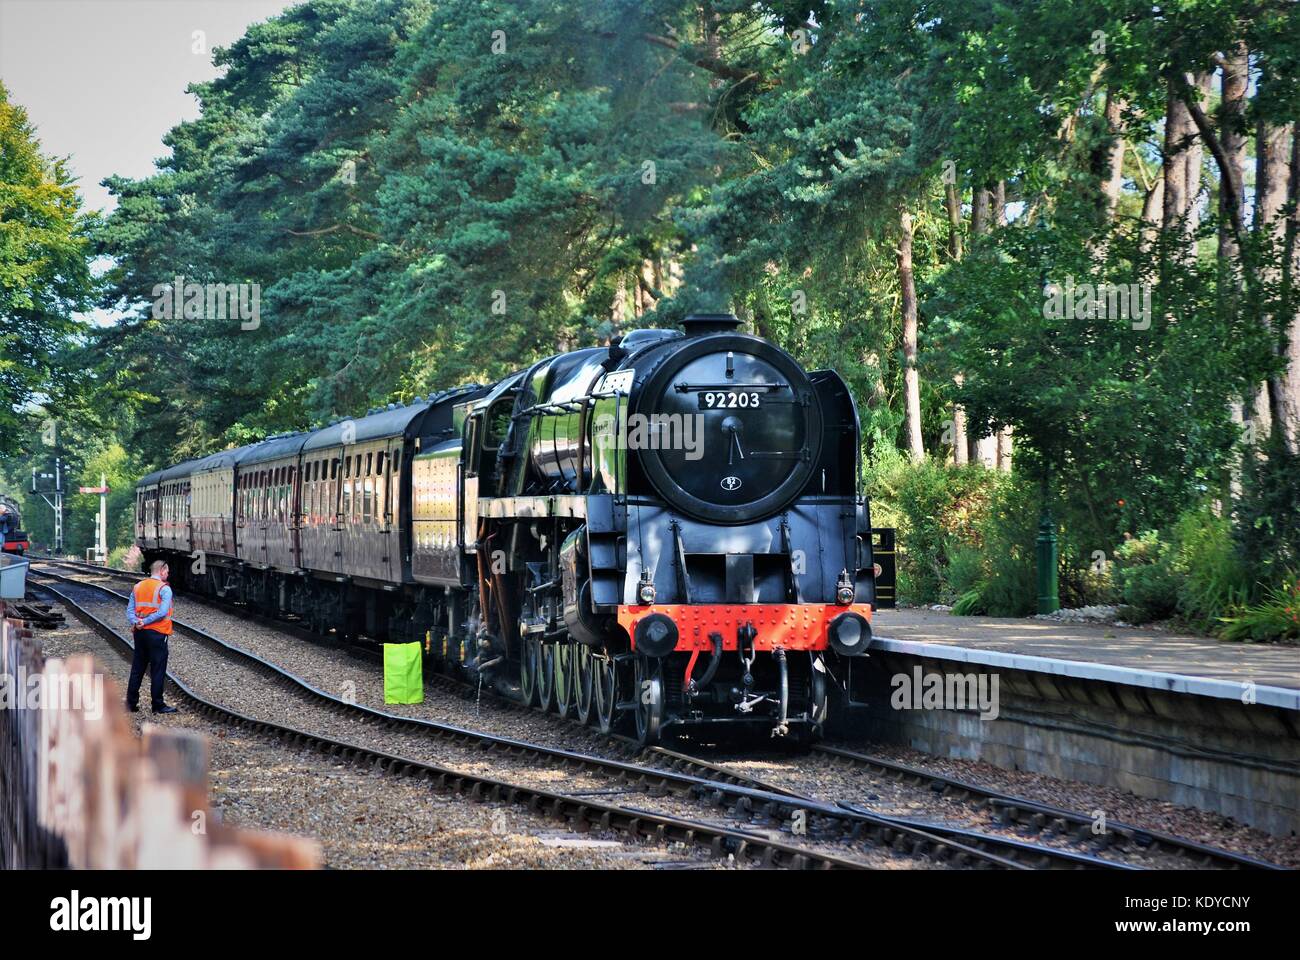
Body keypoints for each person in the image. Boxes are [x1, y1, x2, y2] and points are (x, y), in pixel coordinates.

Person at [126, 560, 178, 714]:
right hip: (158, 633)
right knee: (158, 669)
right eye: (167, 572)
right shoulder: (164, 589)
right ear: (162, 571)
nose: (167, 575)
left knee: (137, 668)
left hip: (140, 633)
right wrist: (146, 621)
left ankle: (131, 703)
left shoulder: (138, 587)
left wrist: (137, 622)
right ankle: (158, 705)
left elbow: (129, 611)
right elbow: (162, 612)